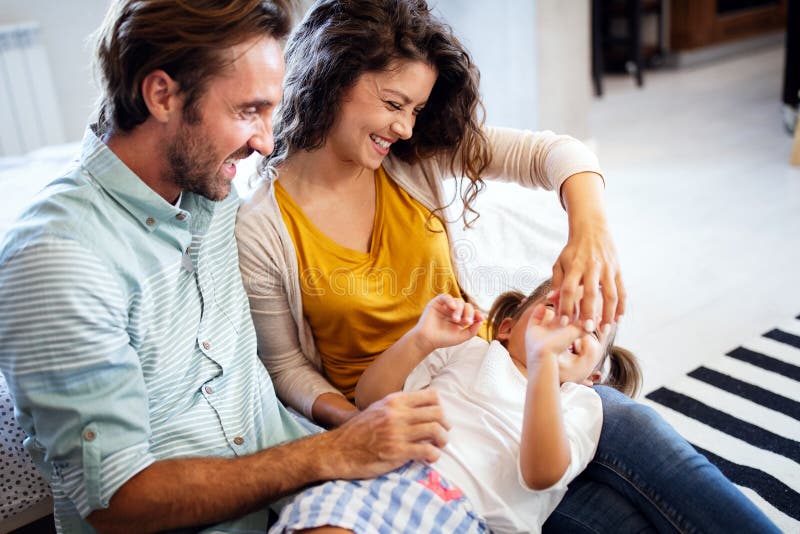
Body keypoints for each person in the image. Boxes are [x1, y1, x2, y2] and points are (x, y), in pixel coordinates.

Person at [236, 0, 780, 531]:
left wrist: (589, 232)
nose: (405, 128)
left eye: (417, 111)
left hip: (483, 372)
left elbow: (556, 155)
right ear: (334, 76)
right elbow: (286, 369)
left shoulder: (409, 157)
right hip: (400, 422)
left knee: (616, 424)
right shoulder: (263, 224)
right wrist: (361, 427)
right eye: (394, 103)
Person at [0, 1, 455, 533]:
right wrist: (331, 453)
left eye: (271, 111)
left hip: (308, 497)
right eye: (248, 111)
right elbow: (119, 501)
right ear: (162, 95)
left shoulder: (210, 189)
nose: (265, 142)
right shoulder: (56, 261)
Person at [271, 279, 643, 533]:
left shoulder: (580, 402)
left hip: (469, 518)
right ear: (507, 329)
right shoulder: (469, 350)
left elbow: (541, 474)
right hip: (386, 476)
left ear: (593, 375)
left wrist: (543, 357)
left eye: (590, 328)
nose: (568, 324)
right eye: (555, 308)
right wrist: (421, 339)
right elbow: (370, 400)